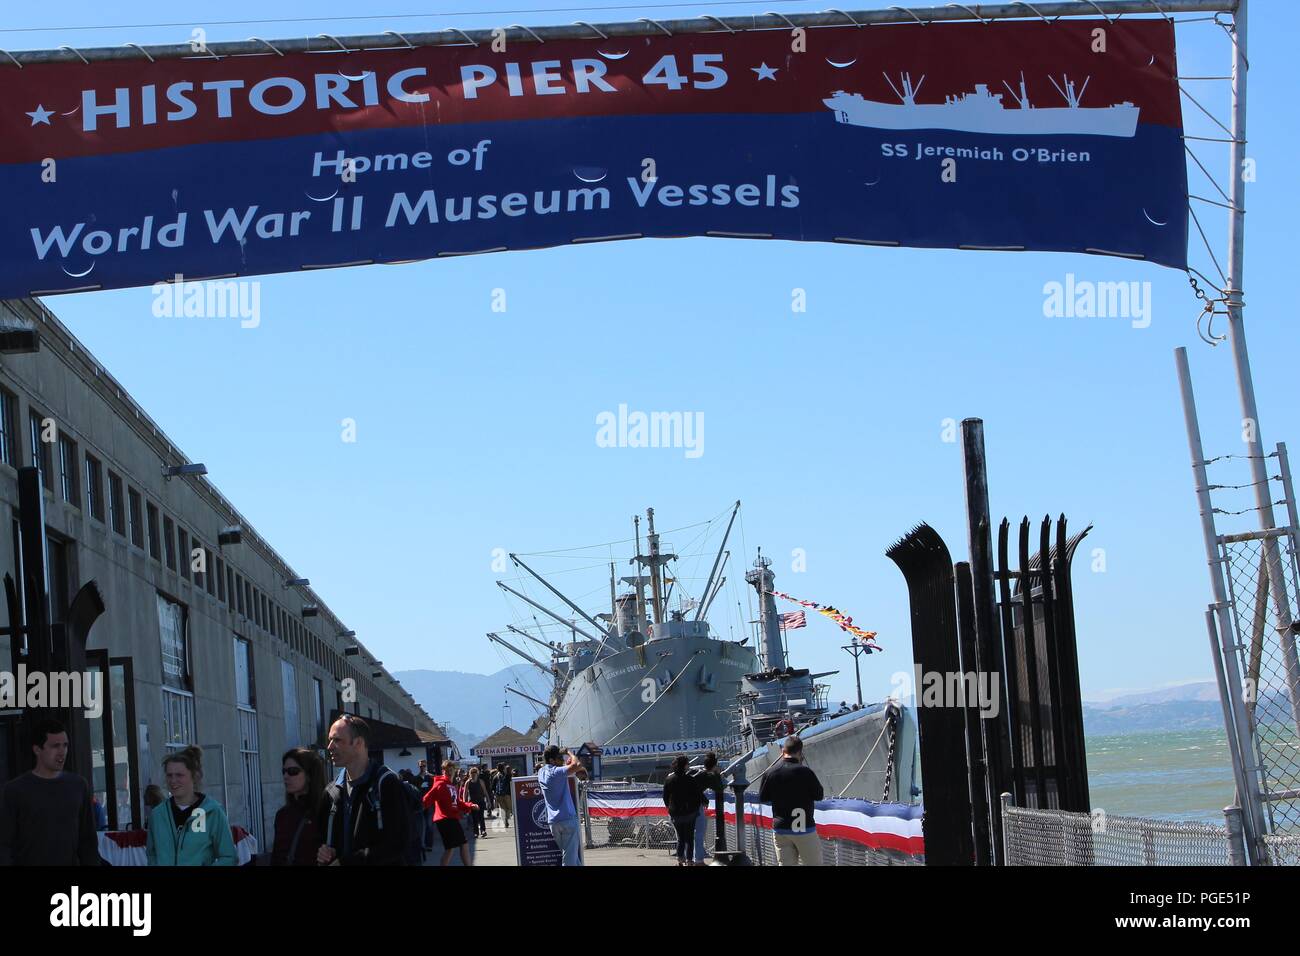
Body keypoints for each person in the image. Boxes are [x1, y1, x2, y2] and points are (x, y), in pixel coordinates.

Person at [0, 719, 100, 865]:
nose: (62, 752)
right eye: (55, 746)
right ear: (37, 749)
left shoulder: (78, 786)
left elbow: (88, 841)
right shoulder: (15, 790)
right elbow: (4, 844)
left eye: (65, 745)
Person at [316, 715, 410, 866]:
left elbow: (397, 844)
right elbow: (321, 839)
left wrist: (347, 862)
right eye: (329, 740)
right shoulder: (332, 791)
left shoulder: (386, 784)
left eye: (337, 740)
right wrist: (325, 851)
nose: (330, 746)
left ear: (358, 743)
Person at [146, 746, 238, 866]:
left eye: (179, 775)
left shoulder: (213, 812)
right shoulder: (157, 815)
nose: (173, 780)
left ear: (194, 777)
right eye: (169, 775)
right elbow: (152, 853)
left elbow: (229, 857)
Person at [758, 736, 825, 867]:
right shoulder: (806, 772)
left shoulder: (771, 772)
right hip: (804, 827)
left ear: (783, 751)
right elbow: (819, 795)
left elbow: (763, 798)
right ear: (800, 752)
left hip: (781, 828)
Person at [271, 747, 325, 865]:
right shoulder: (282, 815)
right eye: (284, 771)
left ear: (310, 775)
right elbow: (276, 857)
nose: (286, 776)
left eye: (293, 771)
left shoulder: (324, 811)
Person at [537, 745, 585, 866]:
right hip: (567, 819)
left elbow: (565, 769)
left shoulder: (541, 772)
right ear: (552, 760)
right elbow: (578, 765)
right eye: (559, 757)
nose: (562, 760)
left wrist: (566, 763)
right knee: (569, 860)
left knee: (571, 856)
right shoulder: (556, 772)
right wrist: (569, 752)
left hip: (554, 822)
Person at [422, 760, 476, 866]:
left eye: (452, 769)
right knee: (462, 844)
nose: (450, 772)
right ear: (443, 771)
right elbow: (427, 798)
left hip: (450, 819)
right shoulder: (440, 784)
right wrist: (420, 807)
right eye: (447, 770)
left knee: (450, 848)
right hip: (445, 819)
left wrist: (470, 805)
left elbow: (458, 802)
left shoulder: (451, 786)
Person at [662, 754, 703, 867]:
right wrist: (695, 810)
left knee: (680, 838)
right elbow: (697, 796)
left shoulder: (669, 779)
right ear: (685, 766)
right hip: (690, 813)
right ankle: (690, 861)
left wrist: (669, 808)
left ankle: (680, 861)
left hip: (676, 814)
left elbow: (665, 797)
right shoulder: (690, 779)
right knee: (689, 838)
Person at [690, 751, 724, 866]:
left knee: (686, 834)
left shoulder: (696, 773)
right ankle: (698, 861)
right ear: (714, 765)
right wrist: (718, 774)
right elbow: (719, 787)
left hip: (681, 805)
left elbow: (694, 789)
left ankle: (688, 860)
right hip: (694, 806)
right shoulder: (709, 775)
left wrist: (703, 798)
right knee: (699, 833)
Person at [463, 767, 489, 837]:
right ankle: (476, 832)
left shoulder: (480, 781)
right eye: (472, 773)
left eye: (475, 772)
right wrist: (464, 803)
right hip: (472, 803)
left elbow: (485, 791)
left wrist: (488, 801)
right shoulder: (468, 782)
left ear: (477, 773)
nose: (474, 774)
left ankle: (483, 831)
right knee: (474, 818)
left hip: (481, 801)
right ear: (470, 774)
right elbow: (465, 794)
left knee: (481, 817)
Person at [495, 764, 514, 829]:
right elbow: (511, 784)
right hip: (507, 795)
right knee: (509, 808)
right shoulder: (508, 776)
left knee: (503, 809)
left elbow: (492, 786)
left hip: (499, 795)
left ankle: (505, 821)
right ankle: (506, 819)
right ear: (503, 768)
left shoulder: (495, 776)